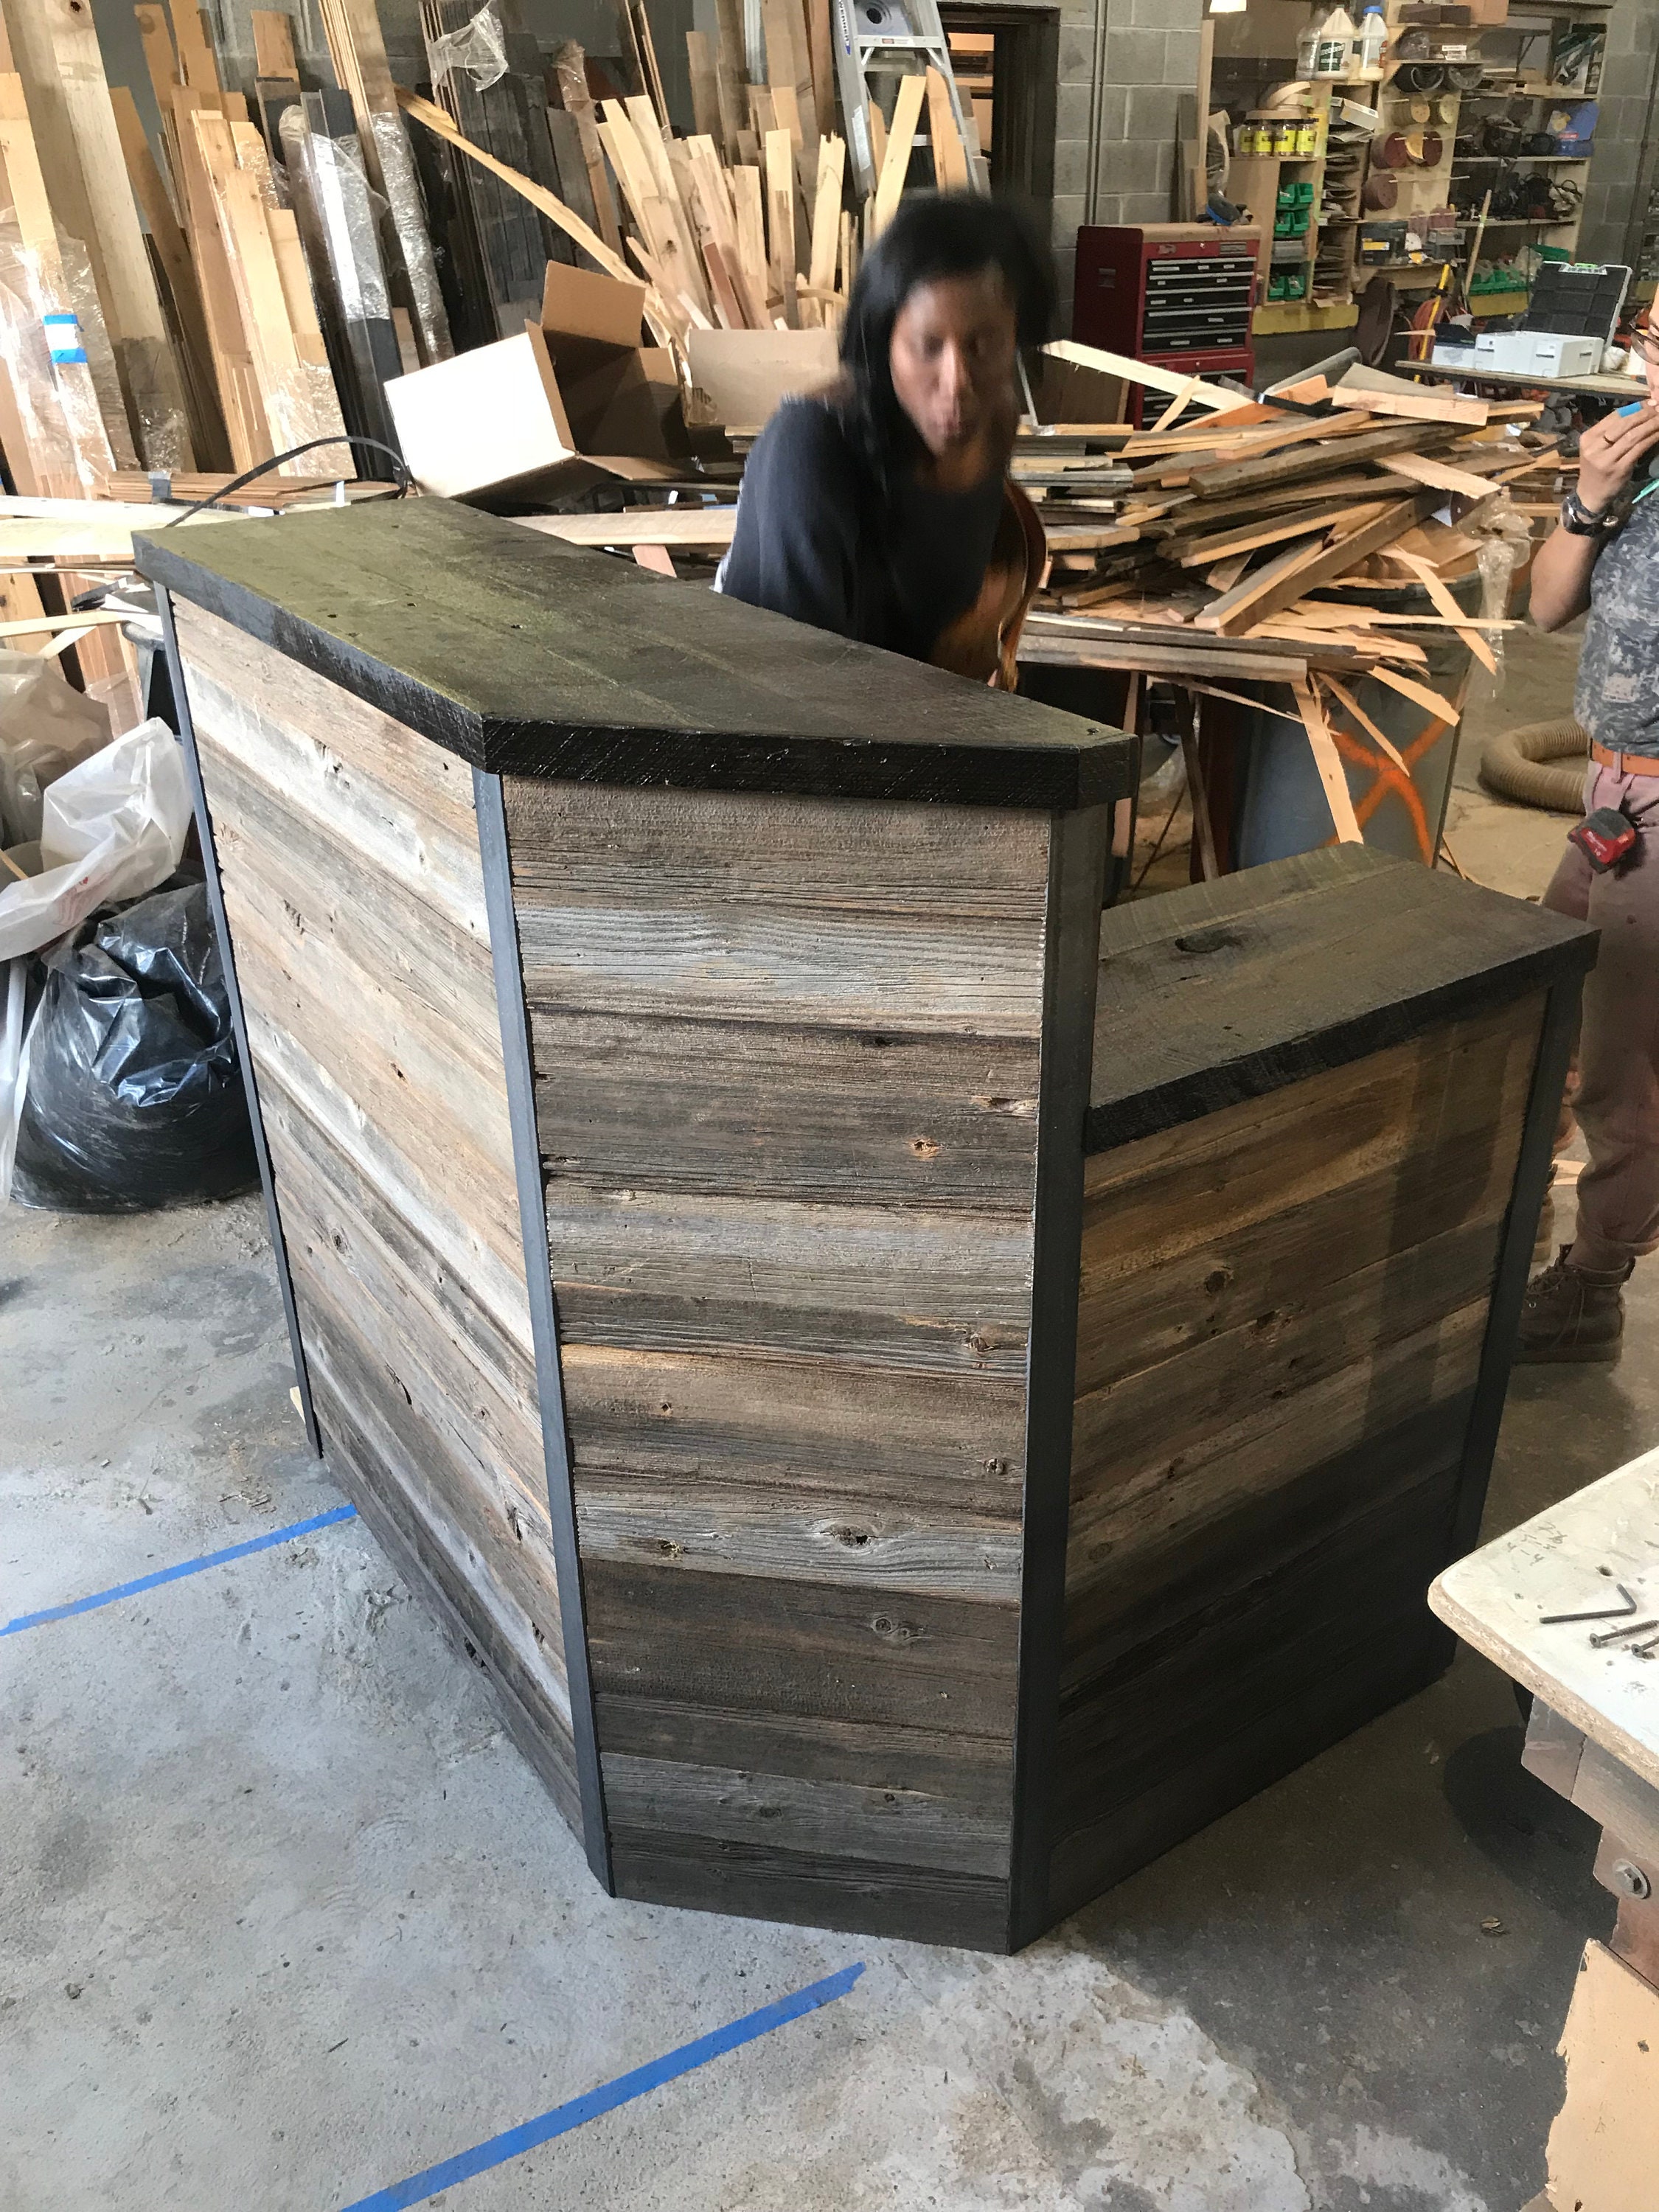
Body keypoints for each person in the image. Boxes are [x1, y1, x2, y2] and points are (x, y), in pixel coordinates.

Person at [717, 191, 1053, 685]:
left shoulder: (995, 426)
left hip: (905, 724)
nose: (957, 381)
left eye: (984, 345)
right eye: (926, 346)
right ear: (883, 342)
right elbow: (792, 693)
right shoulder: (808, 448)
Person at [1517, 333, 1659, 1361]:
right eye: (1649, 333)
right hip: (1610, 799)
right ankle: (1513, 1218)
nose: (1641, 354)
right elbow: (1542, 605)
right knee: (1537, 1021)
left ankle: (1592, 1286)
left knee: (1626, 1074)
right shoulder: (1639, 467)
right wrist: (1588, 495)